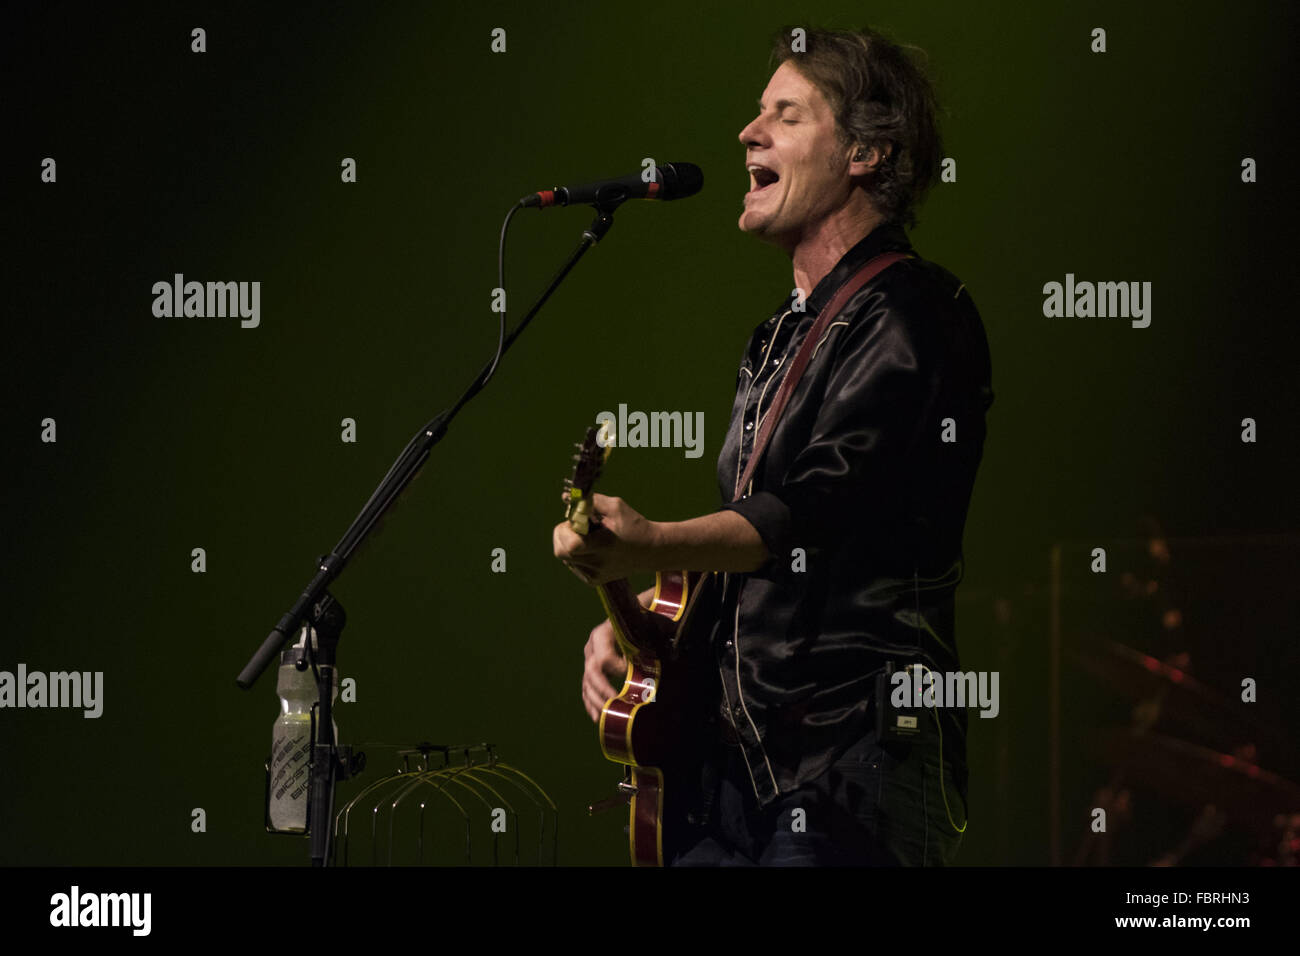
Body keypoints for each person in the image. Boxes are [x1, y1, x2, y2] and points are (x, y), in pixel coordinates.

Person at [553, 25, 993, 865]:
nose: (748, 134)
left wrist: (648, 541)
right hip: (736, 771)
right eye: (758, 115)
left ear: (866, 153)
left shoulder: (912, 314)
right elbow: (756, 574)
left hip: (854, 759)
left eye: (785, 117)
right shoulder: (777, 338)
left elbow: (810, 515)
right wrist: (641, 628)